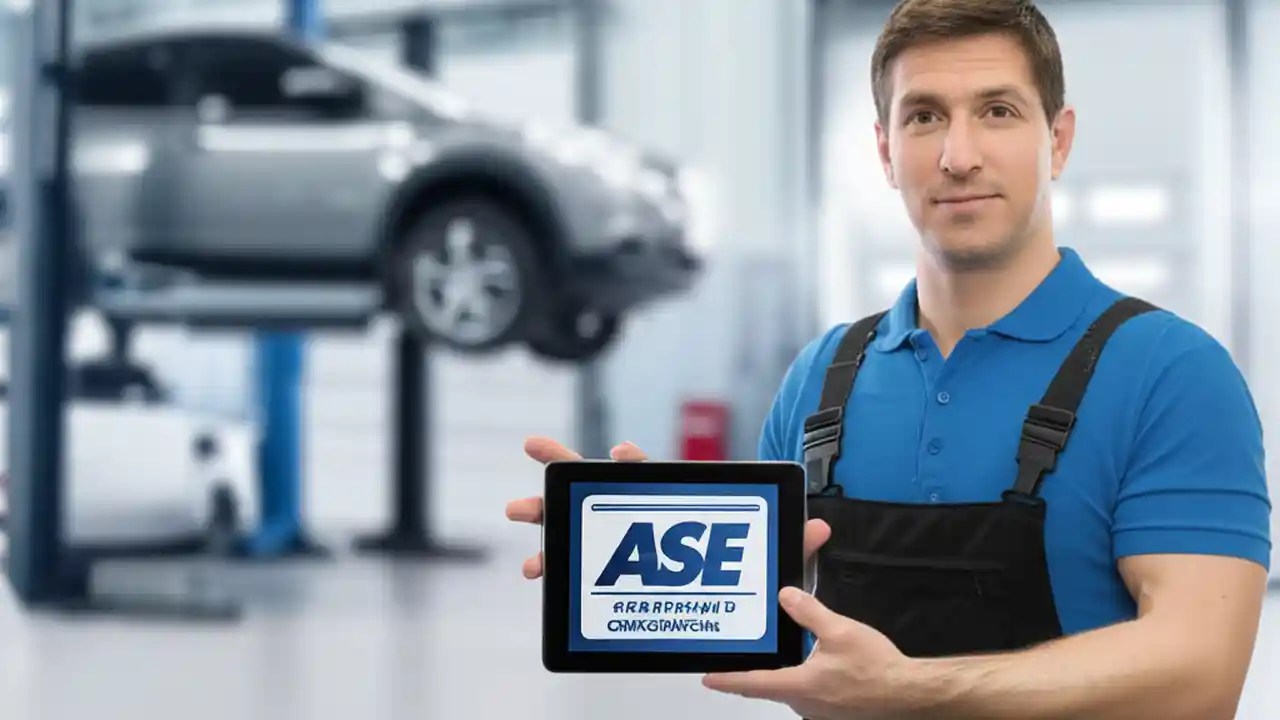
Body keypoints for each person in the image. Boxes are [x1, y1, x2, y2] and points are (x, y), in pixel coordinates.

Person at [506, 0, 1272, 716]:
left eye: (997, 112)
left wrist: (910, 690)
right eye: (924, 116)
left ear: (1058, 139)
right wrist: (641, 549)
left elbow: (1200, 675)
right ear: (884, 148)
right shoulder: (821, 375)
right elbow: (781, 635)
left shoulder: (1170, 372)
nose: (959, 155)